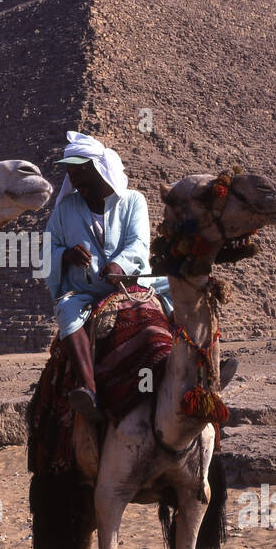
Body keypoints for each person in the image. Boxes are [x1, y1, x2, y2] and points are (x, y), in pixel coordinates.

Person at [45, 131, 173, 421]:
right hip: (85, 291)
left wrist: (120, 265)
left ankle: (201, 369)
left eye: (78, 172)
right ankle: (88, 388)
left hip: (132, 282)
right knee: (66, 309)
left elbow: (139, 244)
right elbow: (45, 249)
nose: (73, 179)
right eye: (69, 172)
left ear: (97, 168)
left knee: (186, 286)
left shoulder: (133, 202)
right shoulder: (66, 209)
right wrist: (65, 254)